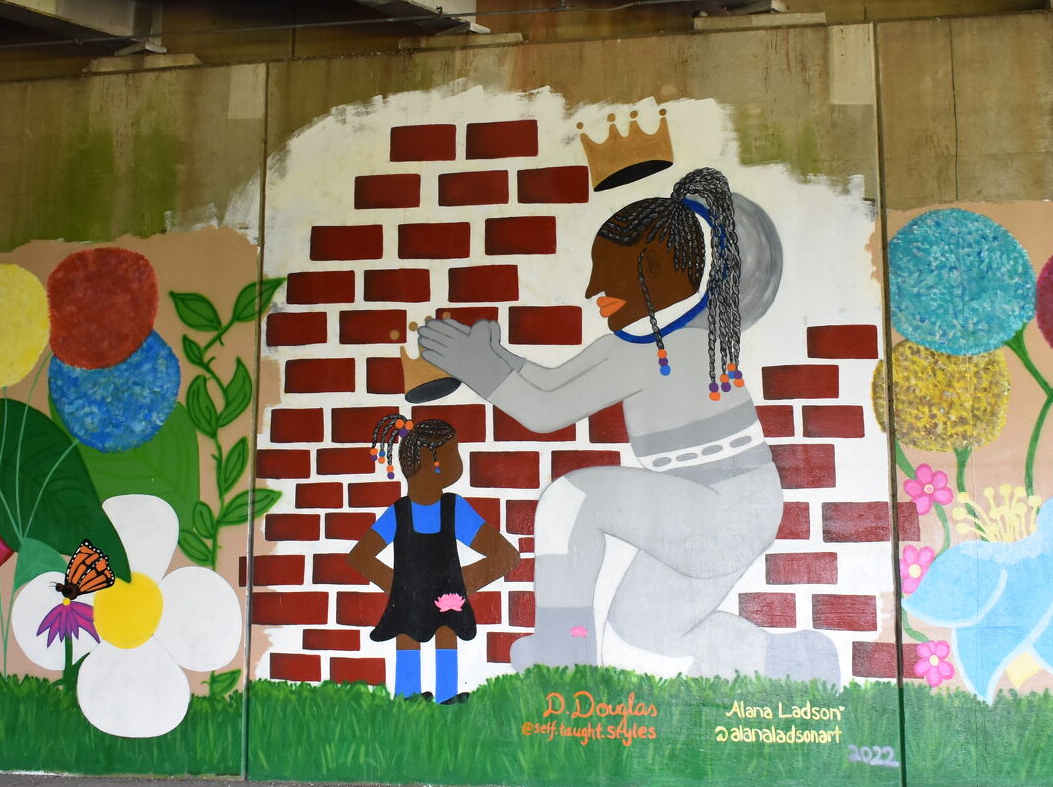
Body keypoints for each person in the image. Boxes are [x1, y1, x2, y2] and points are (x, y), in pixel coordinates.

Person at [418, 166, 838, 685]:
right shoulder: (650, 341)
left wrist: (479, 370)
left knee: (572, 499)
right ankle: (792, 663)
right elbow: (551, 384)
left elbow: (546, 412)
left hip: (720, 510)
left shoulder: (660, 346)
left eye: (609, 271)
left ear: (656, 269)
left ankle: (562, 654)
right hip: (731, 509)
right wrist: (496, 359)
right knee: (645, 633)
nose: (594, 288)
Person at [339, 413, 521, 704]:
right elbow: (361, 556)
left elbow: (505, 556)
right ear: (428, 459)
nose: (459, 462)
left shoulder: (454, 509)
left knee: (447, 631)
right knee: (407, 633)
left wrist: (459, 584)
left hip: (447, 599)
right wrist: (402, 589)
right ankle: (407, 696)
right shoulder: (399, 513)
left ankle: (447, 695)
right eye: (454, 453)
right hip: (409, 600)